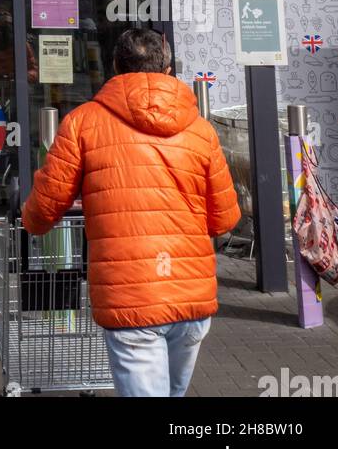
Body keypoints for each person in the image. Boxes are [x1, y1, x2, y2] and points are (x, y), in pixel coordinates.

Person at [21, 27, 240, 398]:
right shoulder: (201, 131)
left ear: (114, 66)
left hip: (129, 295)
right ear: (168, 69)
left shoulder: (82, 122)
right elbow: (224, 219)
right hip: (190, 293)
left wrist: (32, 220)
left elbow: (43, 209)